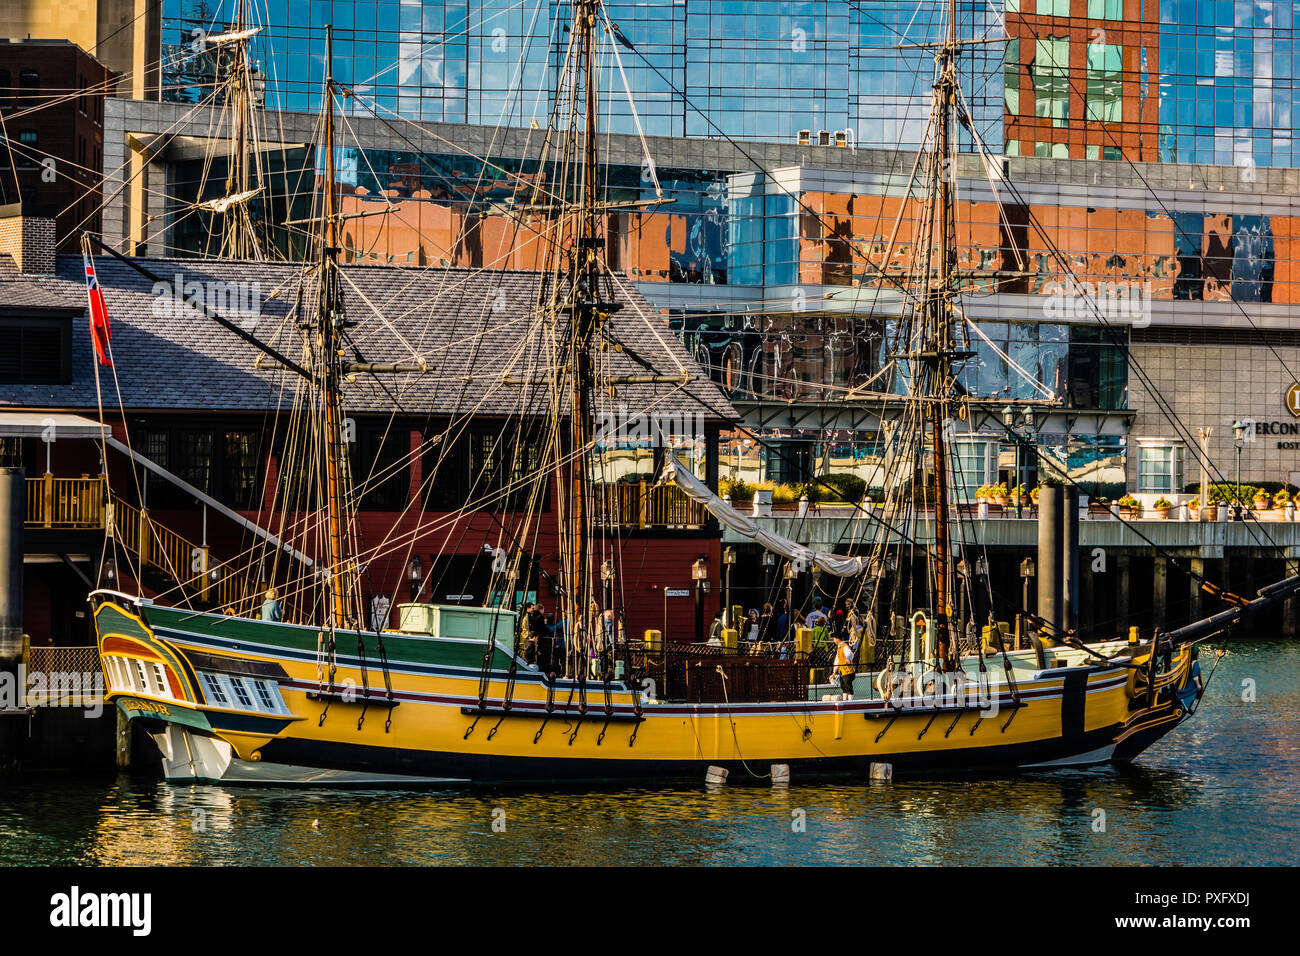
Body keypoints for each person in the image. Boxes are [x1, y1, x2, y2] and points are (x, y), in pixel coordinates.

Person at [832, 630, 856, 696]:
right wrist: (834, 671)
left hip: (847, 671)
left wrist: (848, 659)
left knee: (848, 686)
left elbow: (850, 654)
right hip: (842, 671)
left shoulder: (844, 646)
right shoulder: (839, 648)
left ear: (837, 639)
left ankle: (850, 701)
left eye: (834, 638)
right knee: (843, 687)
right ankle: (845, 700)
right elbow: (837, 659)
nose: (833, 640)